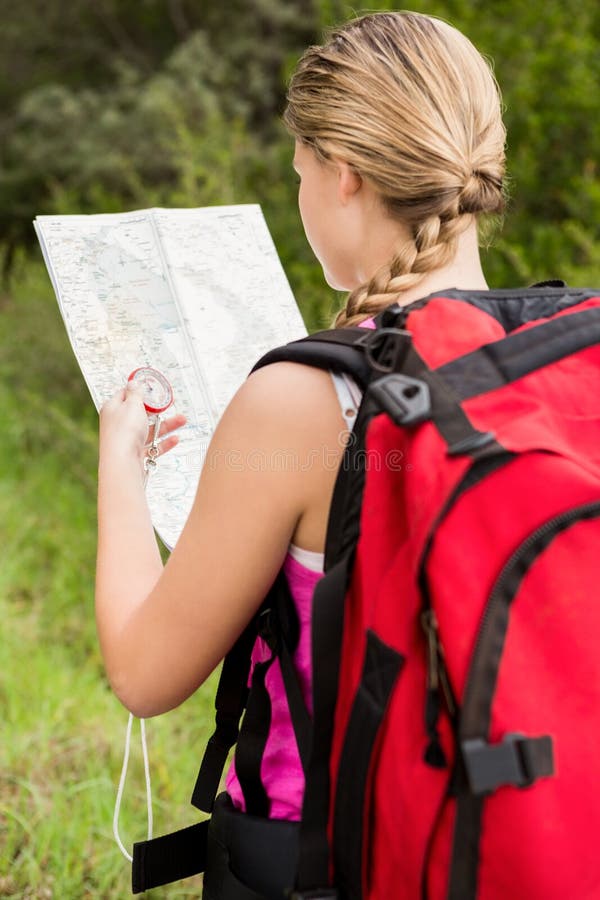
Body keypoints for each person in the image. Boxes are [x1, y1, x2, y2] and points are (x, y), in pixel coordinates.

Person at [96, 10, 506, 897]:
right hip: (507, 840)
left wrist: (118, 464)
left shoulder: (302, 399)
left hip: (331, 862)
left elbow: (142, 671)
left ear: (344, 176)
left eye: (299, 172)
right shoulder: (561, 357)